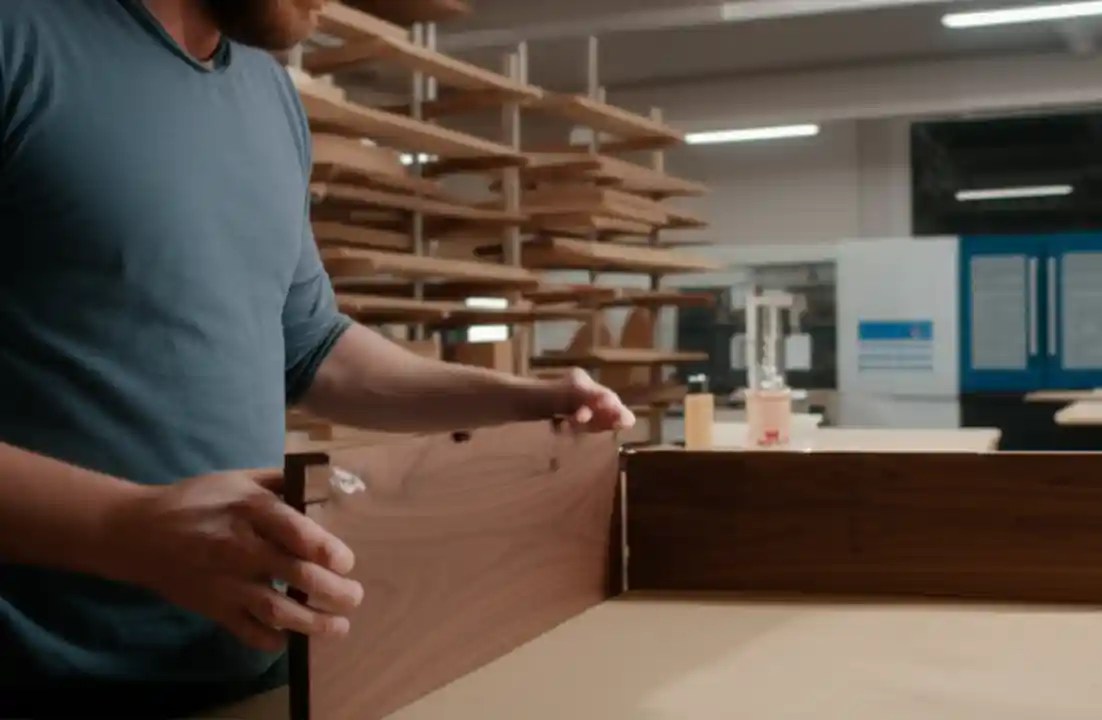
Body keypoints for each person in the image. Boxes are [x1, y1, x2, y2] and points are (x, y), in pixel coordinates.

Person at [0, 0, 636, 716]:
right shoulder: (19, 36)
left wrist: (517, 399)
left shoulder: (268, 96)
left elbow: (314, 348)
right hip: (40, 681)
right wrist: (125, 528)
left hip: (249, 667)